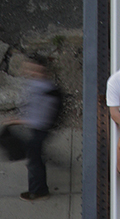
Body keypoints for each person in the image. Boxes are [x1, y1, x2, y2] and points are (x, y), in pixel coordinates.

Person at [5, 54, 60, 201]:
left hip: (41, 129)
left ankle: (39, 191)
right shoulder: (36, 84)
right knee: (34, 152)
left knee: (34, 160)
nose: (28, 71)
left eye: (32, 69)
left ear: (41, 70)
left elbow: (39, 118)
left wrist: (18, 120)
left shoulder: (46, 90)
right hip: (38, 128)